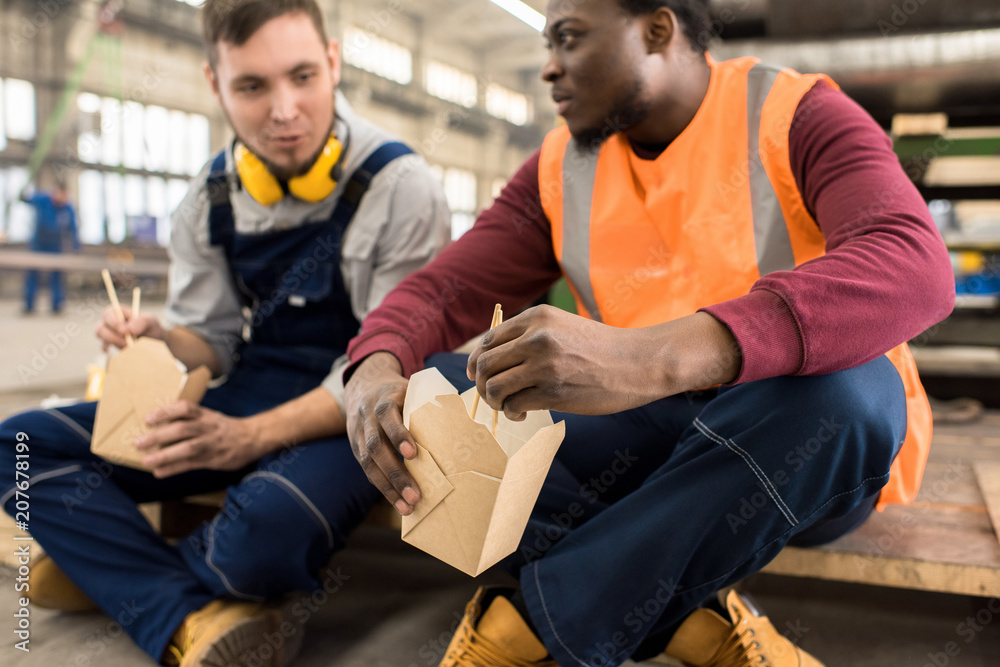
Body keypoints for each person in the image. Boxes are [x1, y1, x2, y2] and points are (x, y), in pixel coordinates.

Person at [343, 1, 955, 666]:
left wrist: (653, 356)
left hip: (783, 445)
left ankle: (523, 626)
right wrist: (374, 363)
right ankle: (689, 619)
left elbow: (915, 264)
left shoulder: (795, 115)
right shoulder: (559, 166)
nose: (548, 68)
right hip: (648, 441)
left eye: (568, 39)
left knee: (854, 397)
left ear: (658, 30)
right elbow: (440, 292)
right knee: (431, 396)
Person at [0, 1, 449, 665]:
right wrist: (161, 337)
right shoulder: (207, 197)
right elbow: (210, 340)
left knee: (262, 535)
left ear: (332, 63)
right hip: (249, 389)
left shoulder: (401, 184)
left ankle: (123, 577)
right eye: (252, 86)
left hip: (358, 408)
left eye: (302, 76)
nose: (284, 109)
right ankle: (188, 608)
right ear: (215, 84)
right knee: (20, 445)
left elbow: (390, 364)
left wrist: (250, 437)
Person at [19, 180, 80, 314]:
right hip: (38, 244)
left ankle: (57, 305)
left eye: (64, 195)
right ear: (55, 192)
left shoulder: (67, 208)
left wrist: (76, 246)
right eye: (60, 194)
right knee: (32, 274)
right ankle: (29, 305)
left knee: (56, 275)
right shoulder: (43, 199)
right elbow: (24, 199)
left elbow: (73, 229)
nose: (61, 198)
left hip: (55, 246)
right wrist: (23, 191)